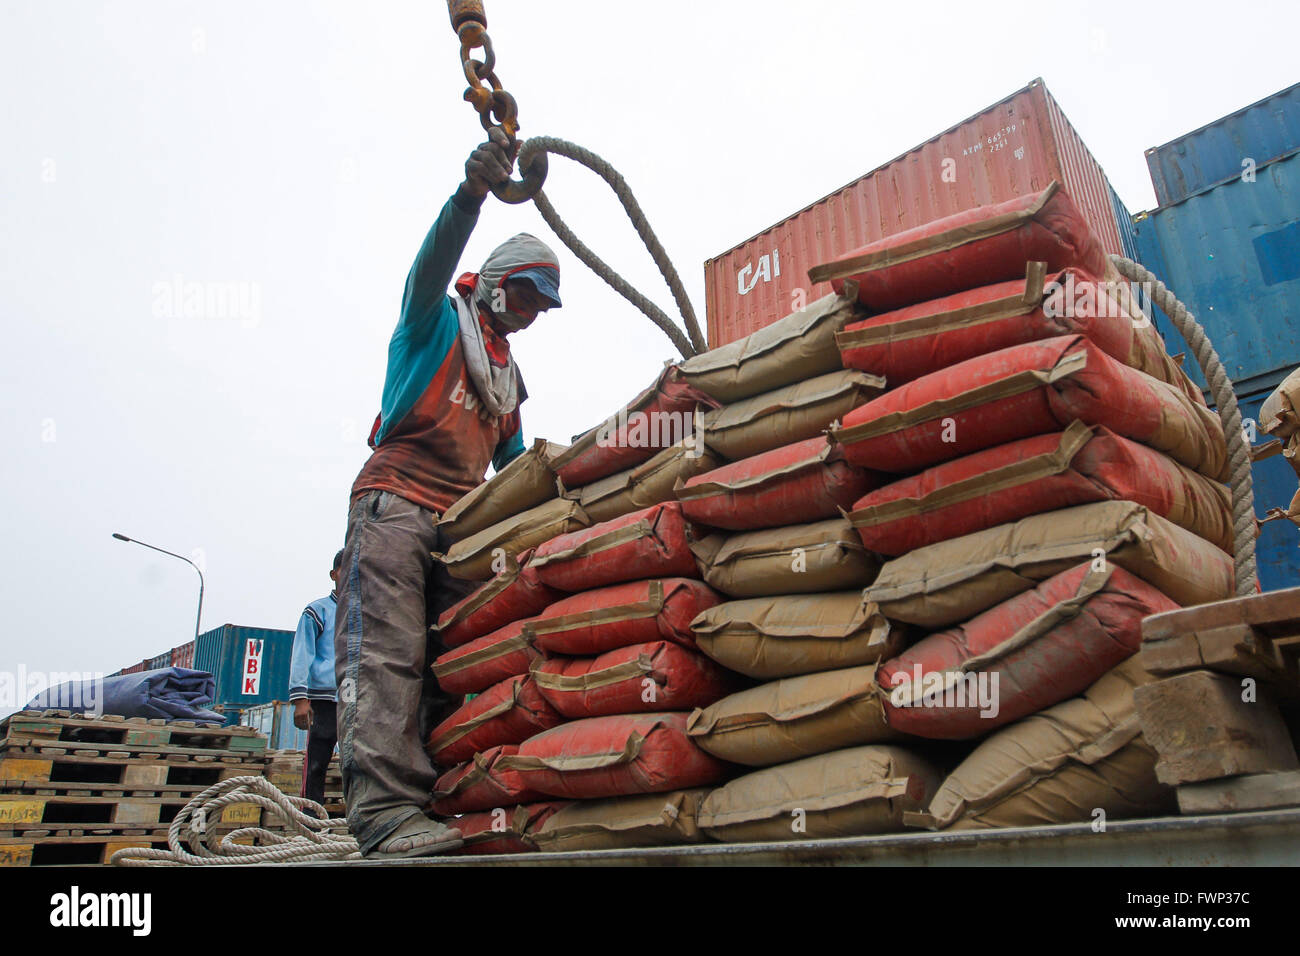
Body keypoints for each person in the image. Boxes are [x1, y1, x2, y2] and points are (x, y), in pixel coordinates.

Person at [334, 128, 562, 859]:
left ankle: (437, 806)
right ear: (497, 281)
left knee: (447, 666)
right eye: (525, 295)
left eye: (541, 308)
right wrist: (472, 195)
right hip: (396, 503)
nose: (529, 314)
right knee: (389, 657)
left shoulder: (508, 382)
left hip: (459, 529)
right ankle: (384, 815)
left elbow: (516, 469)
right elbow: (429, 267)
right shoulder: (433, 322)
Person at [288, 549, 342, 807]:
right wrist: (300, 699)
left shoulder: (367, 613)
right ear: (334, 575)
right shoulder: (317, 611)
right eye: (344, 570)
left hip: (356, 700)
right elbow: (302, 654)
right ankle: (310, 822)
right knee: (317, 764)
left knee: (360, 766)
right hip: (322, 700)